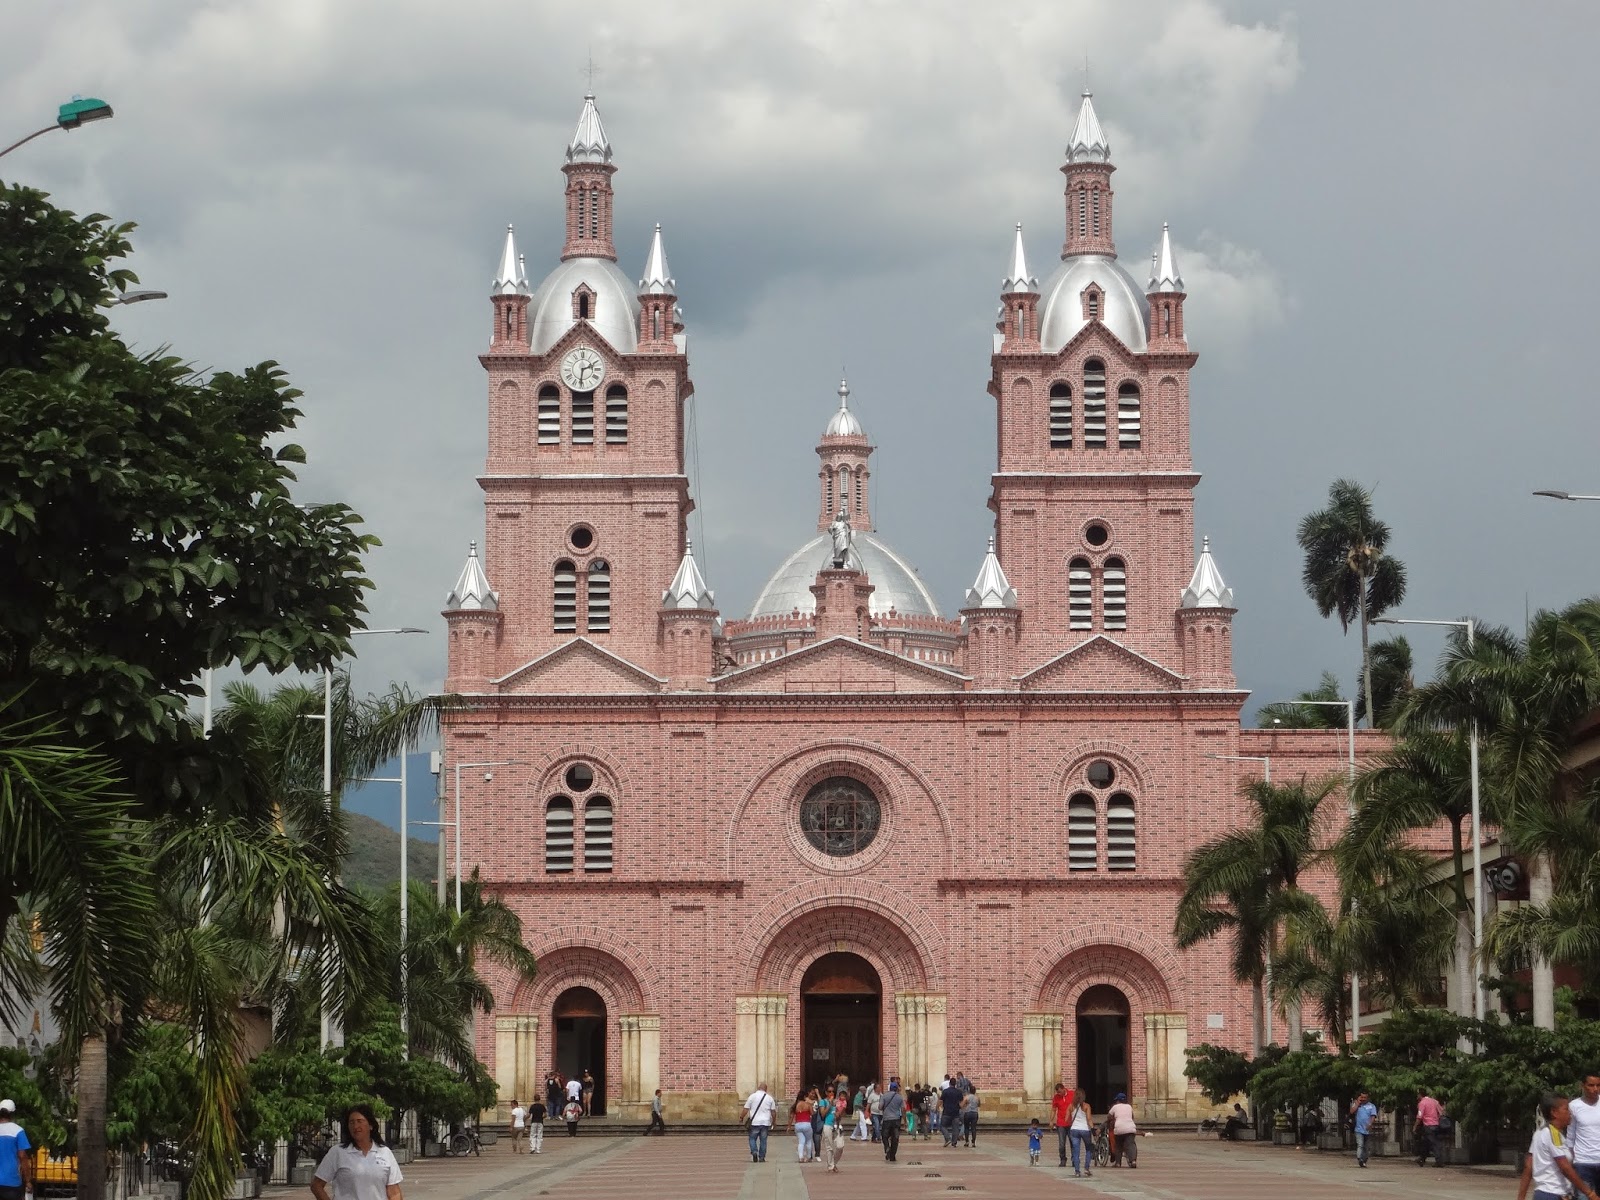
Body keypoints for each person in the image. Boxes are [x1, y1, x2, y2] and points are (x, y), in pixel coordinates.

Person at [311, 1104, 403, 1200]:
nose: (355, 1126)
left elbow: (394, 1192)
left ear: (370, 1125)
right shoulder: (338, 1152)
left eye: (360, 1121)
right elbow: (317, 1185)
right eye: (352, 1122)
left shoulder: (385, 1153)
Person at [1518, 1093, 1600, 1200]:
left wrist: (1521, 1197)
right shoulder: (1553, 1134)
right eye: (1566, 1109)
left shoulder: (1540, 1133)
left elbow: (1528, 1166)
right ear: (1554, 1112)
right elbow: (1565, 1167)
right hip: (1554, 1194)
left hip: (1541, 1194)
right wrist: (1590, 1193)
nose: (1570, 1113)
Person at [1570, 1072, 1600, 1192]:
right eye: (1591, 1085)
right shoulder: (1574, 1106)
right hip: (1583, 1163)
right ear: (1582, 1086)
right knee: (1583, 1196)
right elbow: (1570, 1137)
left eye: (1598, 1085)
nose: (1595, 1089)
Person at [0, 1099, 34, 1200]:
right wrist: (28, 1180)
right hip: (12, 1182)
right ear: (12, 1113)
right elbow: (22, 1156)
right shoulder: (18, 1131)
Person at [743, 1081, 776, 1163]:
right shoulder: (769, 1098)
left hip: (754, 1122)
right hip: (765, 1122)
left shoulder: (752, 1097)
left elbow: (746, 1109)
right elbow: (773, 1112)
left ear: (758, 1088)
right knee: (763, 1140)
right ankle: (761, 1157)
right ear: (766, 1089)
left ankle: (754, 1151)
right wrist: (774, 1121)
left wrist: (741, 1117)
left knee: (752, 1138)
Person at [1107, 1092, 1139, 1168]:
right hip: (1130, 1128)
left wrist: (1113, 1119)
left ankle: (1118, 1163)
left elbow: (1109, 1117)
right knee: (1131, 1145)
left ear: (1118, 1100)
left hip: (1119, 1128)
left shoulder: (1115, 1107)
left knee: (1118, 1145)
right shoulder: (1129, 1107)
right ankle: (1133, 1161)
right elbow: (1132, 1117)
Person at [1414, 1086, 1443, 1167]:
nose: (1417, 1097)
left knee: (1433, 1144)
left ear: (1420, 1095)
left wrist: (1415, 1126)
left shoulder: (1422, 1103)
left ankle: (1439, 1161)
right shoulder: (1434, 1101)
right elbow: (1441, 1112)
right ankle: (1422, 1159)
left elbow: (1419, 1116)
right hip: (1436, 1125)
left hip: (1428, 1126)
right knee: (1426, 1143)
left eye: (1417, 1095)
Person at [819, 1086, 845, 1173]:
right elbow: (823, 1114)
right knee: (829, 1147)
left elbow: (841, 1113)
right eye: (829, 1091)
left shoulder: (837, 1102)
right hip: (828, 1125)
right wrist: (829, 1104)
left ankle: (834, 1163)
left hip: (837, 1125)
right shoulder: (823, 1102)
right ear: (826, 1092)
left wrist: (839, 1112)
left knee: (840, 1146)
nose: (831, 1093)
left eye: (833, 1092)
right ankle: (831, 1166)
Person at [1349, 1091, 1378, 1168]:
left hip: (1367, 1130)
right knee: (1360, 1144)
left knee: (1366, 1147)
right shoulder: (1357, 1104)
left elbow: (1373, 1116)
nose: (1363, 1099)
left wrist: (1370, 1124)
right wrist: (1357, 1103)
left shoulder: (1372, 1106)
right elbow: (1351, 1111)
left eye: (1365, 1097)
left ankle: (1364, 1160)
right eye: (1362, 1097)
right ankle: (1359, 1159)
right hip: (1358, 1129)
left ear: (1368, 1098)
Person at [1069, 1091, 1094, 1178]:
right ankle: (1086, 1169)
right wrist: (1093, 1128)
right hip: (1085, 1129)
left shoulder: (1071, 1106)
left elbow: (1066, 1119)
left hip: (1074, 1129)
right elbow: (1089, 1118)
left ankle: (1077, 1171)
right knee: (1088, 1149)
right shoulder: (1086, 1106)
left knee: (1076, 1151)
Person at [880, 1080, 905, 1162]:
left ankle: (887, 1147)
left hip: (886, 1119)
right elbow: (903, 1109)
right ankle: (892, 1156)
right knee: (895, 1138)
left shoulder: (884, 1096)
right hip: (896, 1120)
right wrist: (905, 1120)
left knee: (884, 1136)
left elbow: (880, 1107)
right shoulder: (899, 1097)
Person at [1051, 1082, 1075, 1167]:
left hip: (1071, 1122)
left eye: (1060, 1092)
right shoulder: (1056, 1098)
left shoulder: (1072, 1094)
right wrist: (1051, 1120)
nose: (1059, 1094)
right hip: (1061, 1123)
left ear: (1063, 1089)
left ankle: (1074, 1159)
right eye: (1057, 1093)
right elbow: (1054, 1109)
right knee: (1061, 1144)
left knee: (1073, 1142)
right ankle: (1063, 1159)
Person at [940, 1077, 964, 1148]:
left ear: (949, 1083)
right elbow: (961, 1102)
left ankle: (947, 1138)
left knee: (942, 1126)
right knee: (955, 1128)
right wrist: (960, 1107)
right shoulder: (958, 1092)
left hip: (946, 1112)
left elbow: (941, 1100)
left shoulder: (945, 1091)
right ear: (955, 1084)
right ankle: (954, 1142)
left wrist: (938, 1107)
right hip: (956, 1112)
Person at [792, 1090, 814, 1162]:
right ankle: (808, 1156)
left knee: (801, 1142)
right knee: (808, 1141)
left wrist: (789, 1126)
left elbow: (792, 1115)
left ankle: (801, 1156)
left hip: (798, 1124)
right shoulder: (807, 1104)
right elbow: (812, 1113)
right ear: (805, 1097)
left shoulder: (796, 1105)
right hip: (806, 1123)